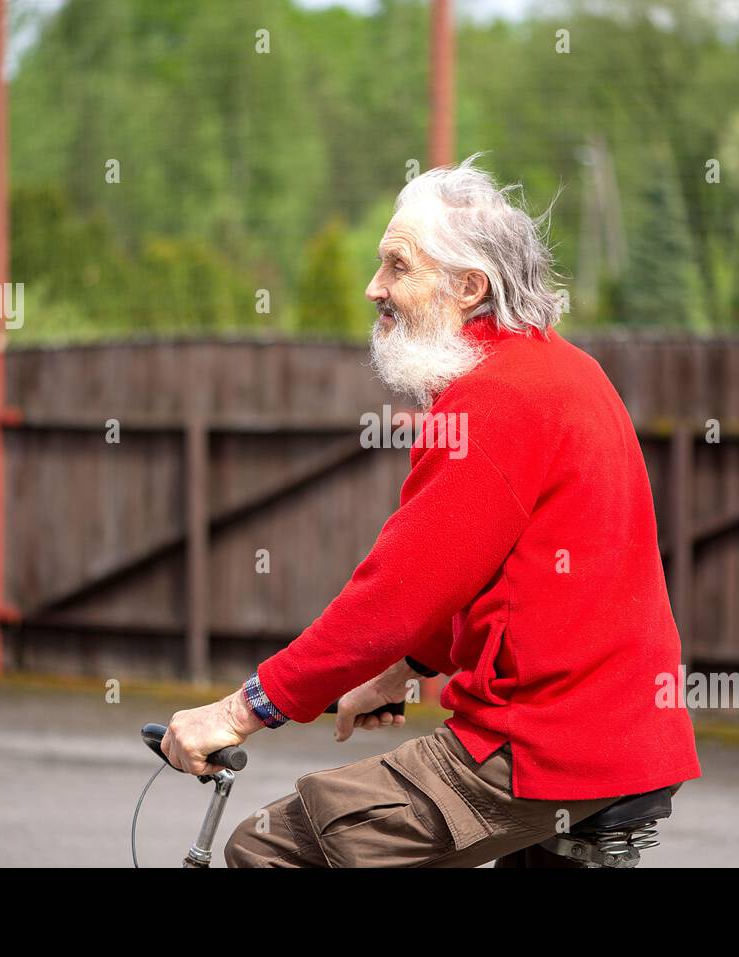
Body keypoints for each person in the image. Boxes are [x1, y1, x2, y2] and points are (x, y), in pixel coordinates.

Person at [161, 153, 701, 867]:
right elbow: (505, 576)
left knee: (269, 848)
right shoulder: (565, 369)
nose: (372, 286)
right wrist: (405, 670)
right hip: (622, 738)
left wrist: (238, 711)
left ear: (469, 286)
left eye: (397, 266)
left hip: (538, 746)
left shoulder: (494, 399)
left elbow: (395, 594)